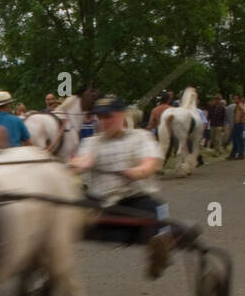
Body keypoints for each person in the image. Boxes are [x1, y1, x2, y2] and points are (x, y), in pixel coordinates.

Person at [69, 96, 172, 279]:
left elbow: (150, 163)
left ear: (122, 115)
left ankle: (159, 248)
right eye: (100, 117)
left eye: (108, 116)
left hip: (133, 198)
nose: (103, 121)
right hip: (99, 201)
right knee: (66, 211)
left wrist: (139, 171)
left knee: (156, 209)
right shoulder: (92, 142)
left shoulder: (140, 137)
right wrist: (74, 166)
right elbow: (85, 161)